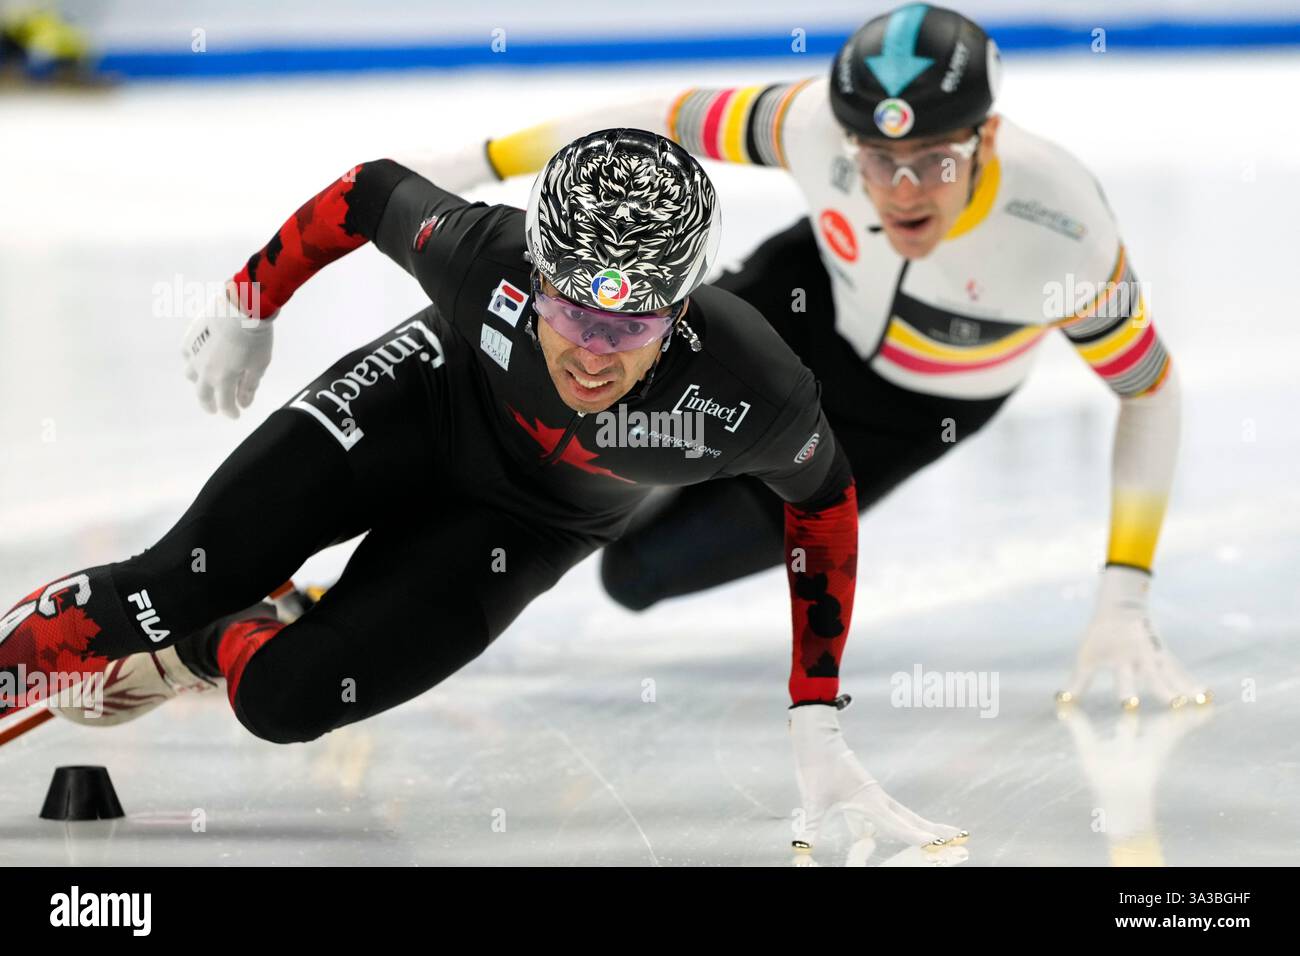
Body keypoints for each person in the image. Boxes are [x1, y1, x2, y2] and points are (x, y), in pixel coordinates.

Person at [0, 129, 965, 854]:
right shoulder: (486, 258)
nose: (591, 352)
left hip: (532, 523)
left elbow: (824, 507)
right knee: (168, 583)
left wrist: (815, 711)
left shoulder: (752, 388)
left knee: (287, 701)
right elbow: (367, 192)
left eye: (629, 329)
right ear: (534, 274)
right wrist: (253, 301)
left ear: (680, 310)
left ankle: (217, 640)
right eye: (568, 307)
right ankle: (194, 613)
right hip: (422, 397)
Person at [399, 2, 1208, 711]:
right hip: (803, 305)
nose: (901, 190)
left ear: (988, 136)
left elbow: (1152, 393)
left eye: (935, 161)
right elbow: (662, 116)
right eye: (875, 162)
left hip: (916, 411)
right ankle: (388, 583)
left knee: (638, 573)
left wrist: (1125, 596)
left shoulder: (1060, 233)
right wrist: (476, 161)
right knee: (589, 447)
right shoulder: (816, 123)